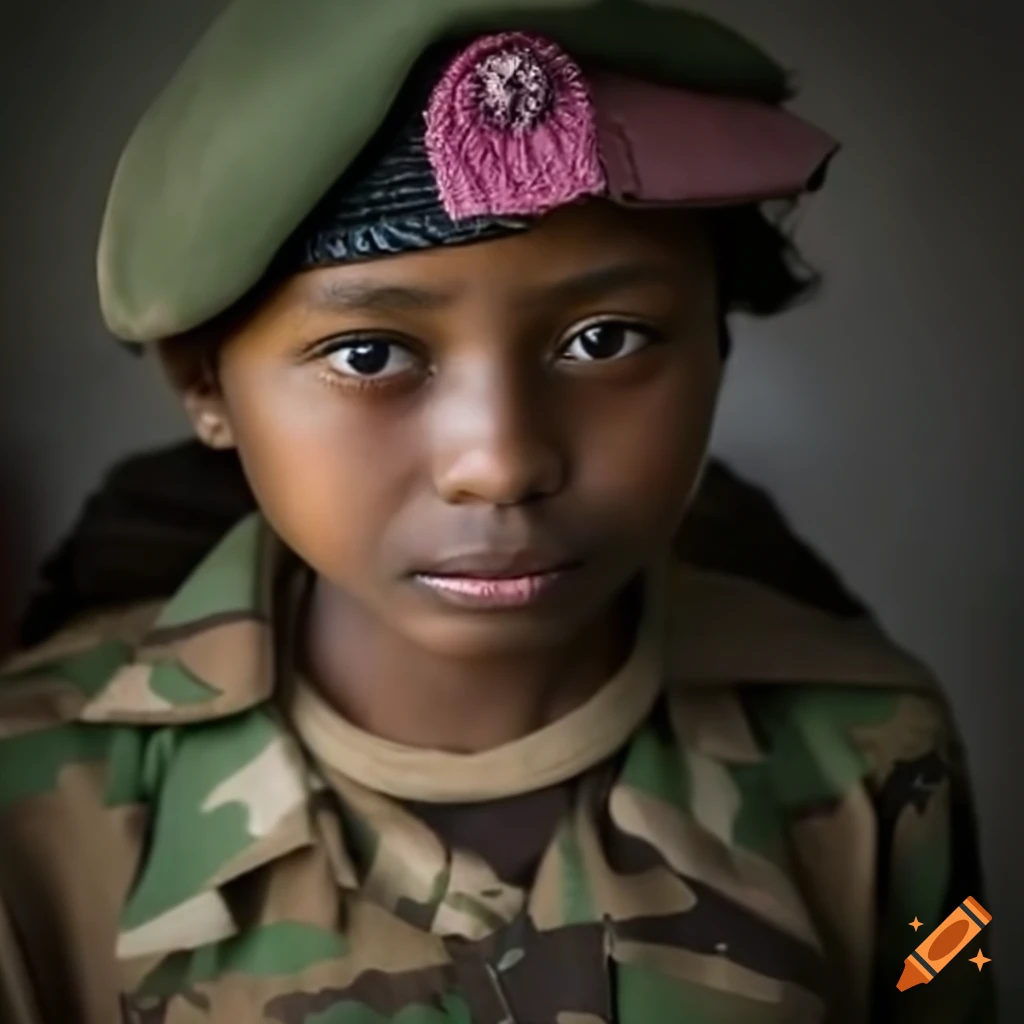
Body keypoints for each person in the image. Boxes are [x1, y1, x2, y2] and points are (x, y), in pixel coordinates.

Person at [0, 2, 993, 1022]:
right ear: (204, 383)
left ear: (717, 346)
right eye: (369, 354)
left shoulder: (878, 752)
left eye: (605, 339)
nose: (501, 465)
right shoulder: (28, 815)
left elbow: (946, 979)